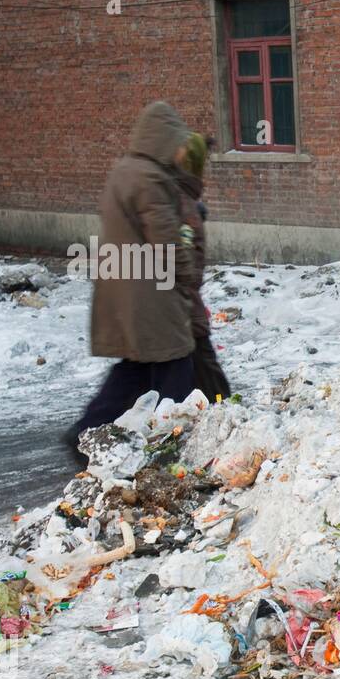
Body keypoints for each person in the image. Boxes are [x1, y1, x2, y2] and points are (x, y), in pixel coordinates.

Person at [65, 101, 197, 455]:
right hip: (148, 289)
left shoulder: (124, 170)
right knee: (176, 362)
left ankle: (87, 429)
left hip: (122, 283)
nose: (183, 150)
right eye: (179, 142)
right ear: (164, 140)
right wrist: (187, 278)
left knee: (137, 366)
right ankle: (175, 439)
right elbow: (166, 241)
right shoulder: (151, 179)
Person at [176, 131, 231, 402]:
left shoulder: (183, 198)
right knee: (208, 375)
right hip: (180, 306)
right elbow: (179, 257)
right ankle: (225, 413)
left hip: (178, 305)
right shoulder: (181, 203)